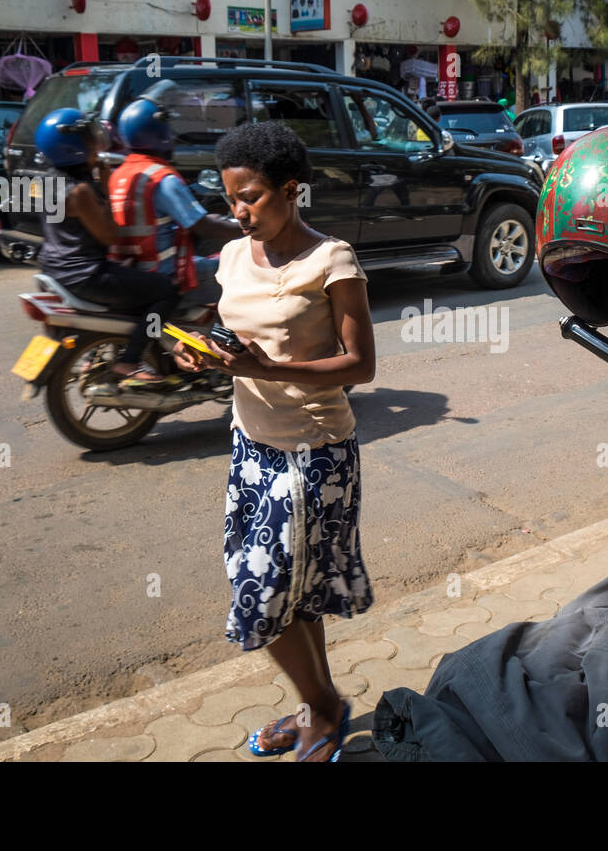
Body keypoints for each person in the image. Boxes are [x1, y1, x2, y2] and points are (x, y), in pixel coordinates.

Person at [172, 121, 375, 762]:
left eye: (252, 197)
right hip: (251, 449)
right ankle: (320, 705)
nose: (238, 212)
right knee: (294, 594)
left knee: (263, 597)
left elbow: (361, 365)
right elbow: (233, 332)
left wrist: (268, 370)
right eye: (230, 197)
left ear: (292, 191)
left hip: (313, 456)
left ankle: (322, 708)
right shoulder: (233, 256)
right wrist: (200, 354)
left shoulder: (332, 260)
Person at [34, 108, 179, 386]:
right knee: (166, 290)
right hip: (86, 274)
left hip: (56, 268)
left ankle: (102, 350)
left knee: (134, 284)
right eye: (88, 138)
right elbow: (109, 236)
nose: (95, 142)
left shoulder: (45, 181)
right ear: (73, 147)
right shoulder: (80, 192)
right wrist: (107, 185)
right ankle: (130, 360)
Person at [107, 82, 247, 311]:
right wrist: (251, 229)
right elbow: (204, 227)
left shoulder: (119, 173)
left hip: (131, 270)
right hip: (163, 274)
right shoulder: (162, 178)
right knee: (245, 269)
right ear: (160, 134)